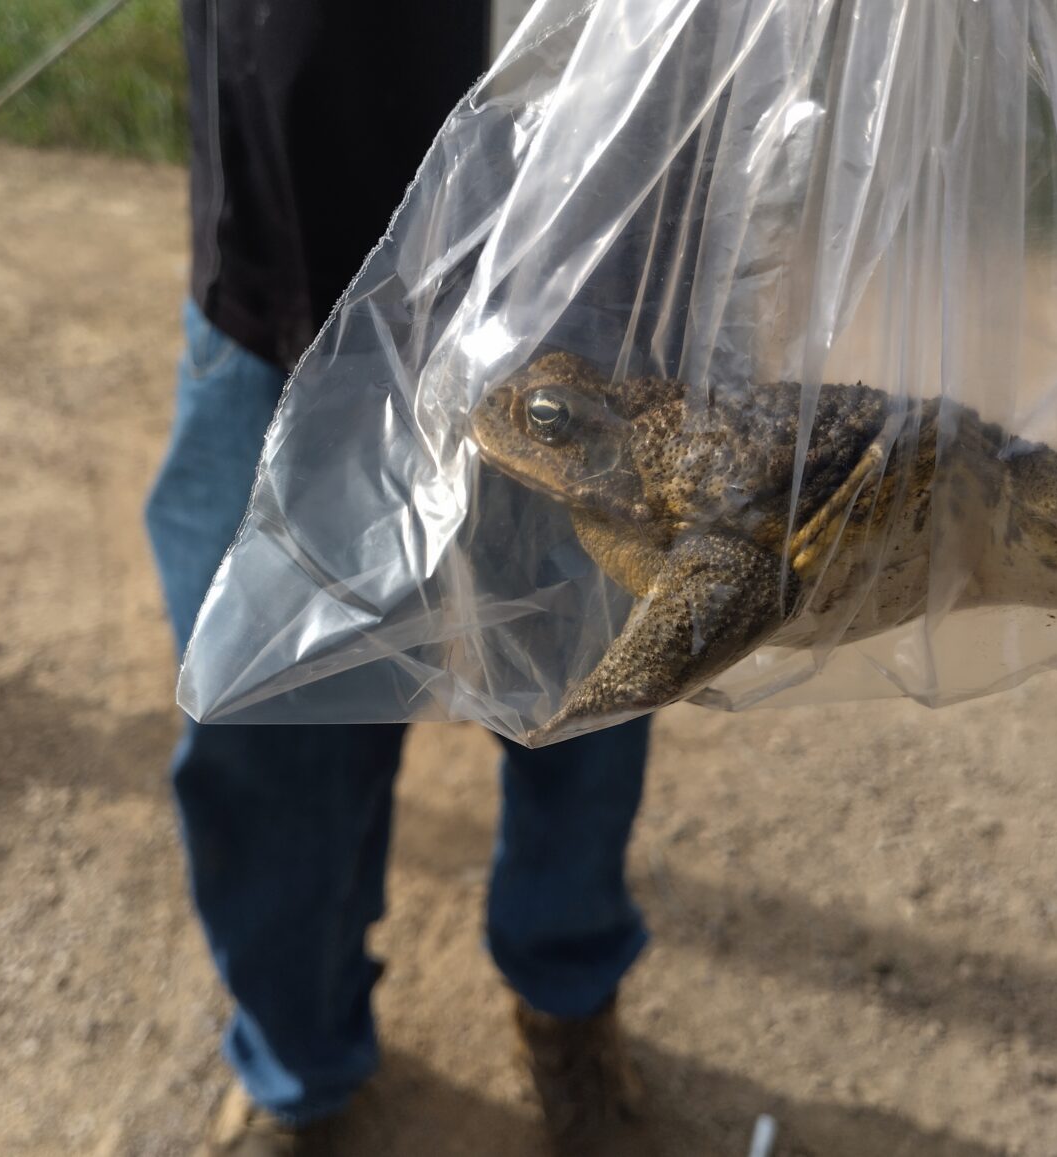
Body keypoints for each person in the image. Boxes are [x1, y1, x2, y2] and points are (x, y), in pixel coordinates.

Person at [143, 3, 653, 1154]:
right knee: (270, 725)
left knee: (590, 686)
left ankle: (567, 992)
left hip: (603, 271)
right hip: (295, 262)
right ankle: (302, 1062)